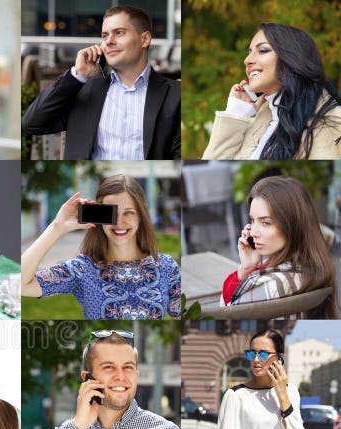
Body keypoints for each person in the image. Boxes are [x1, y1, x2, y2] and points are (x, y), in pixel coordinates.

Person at [22, 5, 180, 160]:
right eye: (105, 36)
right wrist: (77, 75)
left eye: (119, 33)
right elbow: (33, 124)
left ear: (144, 39)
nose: (109, 41)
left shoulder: (175, 94)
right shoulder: (83, 90)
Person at [21, 330, 181, 429]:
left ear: (136, 375)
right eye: (109, 367)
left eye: (128, 367)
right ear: (87, 378)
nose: (120, 376)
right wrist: (76, 427)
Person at [21, 175, 181, 319]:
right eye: (112, 213)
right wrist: (57, 226)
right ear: (99, 215)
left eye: (129, 212)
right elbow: (19, 285)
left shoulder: (167, 267)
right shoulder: (82, 269)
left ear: (140, 215)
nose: (119, 223)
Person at [203, 24, 341, 160]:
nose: (247, 60)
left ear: (292, 58)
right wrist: (236, 111)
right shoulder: (259, 123)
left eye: (262, 50)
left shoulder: (335, 124)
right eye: (249, 52)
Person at [220, 175, 337, 318]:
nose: (253, 232)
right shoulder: (315, 268)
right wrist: (247, 267)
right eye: (252, 220)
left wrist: (244, 272)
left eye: (265, 223)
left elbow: (226, 312)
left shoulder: (269, 285)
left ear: (292, 225)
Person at [215, 329, 308, 429]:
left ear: (280, 358)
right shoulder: (236, 395)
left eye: (263, 354)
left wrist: (282, 395)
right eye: (252, 353)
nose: (256, 359)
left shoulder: (290, 392)